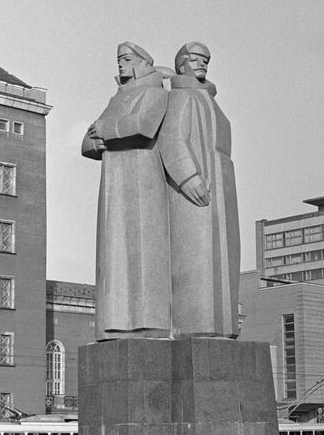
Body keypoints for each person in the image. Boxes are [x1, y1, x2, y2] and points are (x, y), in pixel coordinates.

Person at [83, 43, 171, 339]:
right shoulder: (117, 99)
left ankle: (148, 322)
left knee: (144, 249)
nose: (120, 64)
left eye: (126, 59)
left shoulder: (154, 92)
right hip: (113, 182)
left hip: (143, 177)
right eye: (118, 60)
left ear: (143, 63)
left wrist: (103, 131)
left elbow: (143, 127)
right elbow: (86, 142)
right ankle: (116, 324)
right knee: (114, 253)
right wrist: (101, 138)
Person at [158, 42, 240, 338]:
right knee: (198, 260)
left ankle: (222, 329)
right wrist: (188, 176)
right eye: (194, 59)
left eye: (205, 59)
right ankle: (196, 328)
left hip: (220, 190)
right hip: (195, 190)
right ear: (181, 65)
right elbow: (171, 138)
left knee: (222, 262)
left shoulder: (208, 99)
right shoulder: (181, 96)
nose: (201, 63)